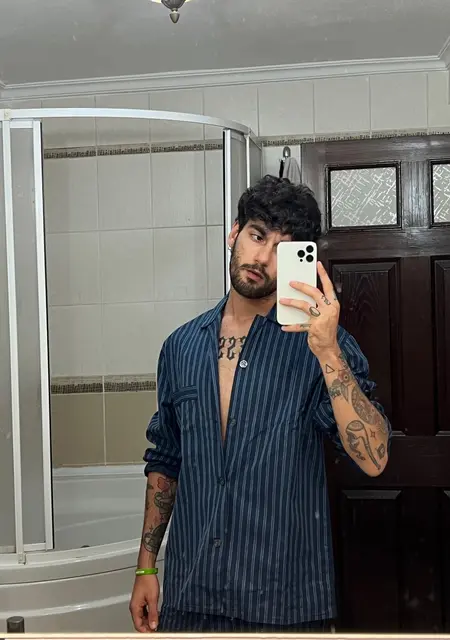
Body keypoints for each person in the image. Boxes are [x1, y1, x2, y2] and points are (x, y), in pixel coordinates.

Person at [129, 175, 391, 633]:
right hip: (192, 594)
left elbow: (375, 458)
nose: (263, 258)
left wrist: (328, 352)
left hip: (284, 600)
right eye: (257, 235)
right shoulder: (180, 347)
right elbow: (166, 461)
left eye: (282, 249)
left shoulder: (321, 346)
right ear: (234, 233)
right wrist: (146, 567)